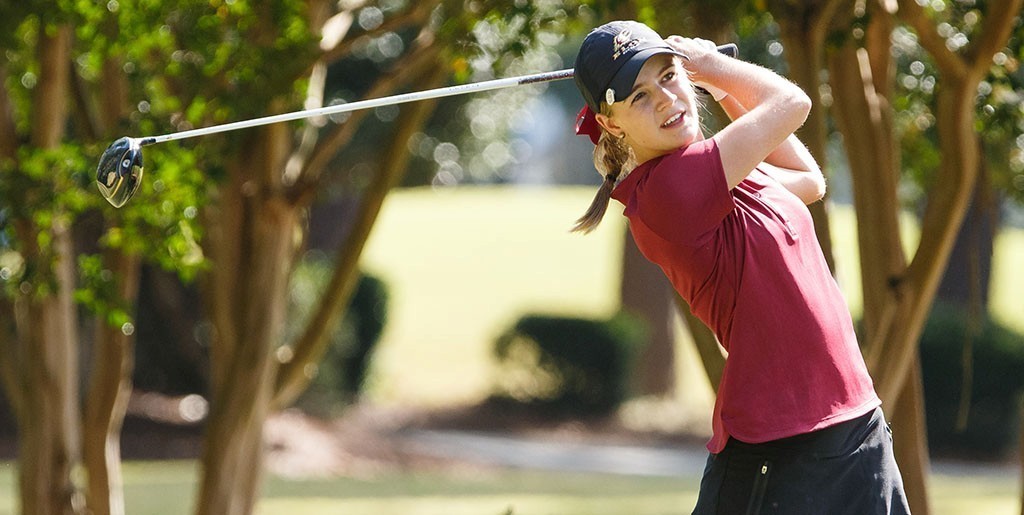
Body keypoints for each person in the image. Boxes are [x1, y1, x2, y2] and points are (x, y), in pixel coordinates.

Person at [570, 20, 910, 514]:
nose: (666, 99)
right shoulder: (669, 192)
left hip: (855, 425)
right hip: (780, 449)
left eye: (669, 76)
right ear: (612, 124)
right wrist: (714, 67)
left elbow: (807, 180)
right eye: (639, 96)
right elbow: (793, 103)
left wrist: (723, 91)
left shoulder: (718, 169)